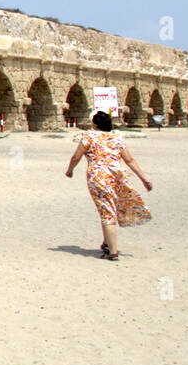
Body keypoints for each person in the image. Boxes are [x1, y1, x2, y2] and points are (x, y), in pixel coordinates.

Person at [64, 110, 152, 260]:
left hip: (98, 178)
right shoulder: (117, 138)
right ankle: (106, 244)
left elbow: (76, 157)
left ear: (95, 124)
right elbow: (129, 160)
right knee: (110, 208)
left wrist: (69, 170)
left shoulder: (89, 137)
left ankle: (113, 252)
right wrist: (144, 179)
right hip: (117, 176)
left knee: (106, 211)